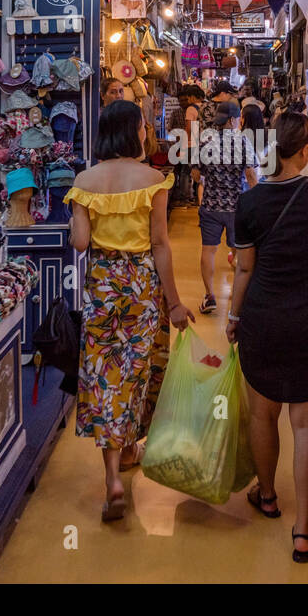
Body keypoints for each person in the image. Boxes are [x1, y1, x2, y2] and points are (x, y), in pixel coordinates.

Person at [227, 112, 308, 563]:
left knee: (262, 416)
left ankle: (267, 496)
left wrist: (233, 316)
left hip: (262, 320)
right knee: (307, 425)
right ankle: (303, 531)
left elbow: (243, 269)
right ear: (303, 150)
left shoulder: (250, 204)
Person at [65, 100, 193, 522]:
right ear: (134, 130)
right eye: (142, 126)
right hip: (141, 288)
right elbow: (160, 244)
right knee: (136, 369)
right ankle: (131, 447)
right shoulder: (153, 179)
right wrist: (173, 302)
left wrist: (77, 215)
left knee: (104, 374)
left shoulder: (84, 181)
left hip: (102, 284)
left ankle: (112, 476)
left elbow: (80, 244)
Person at [195, 101, 258, 314]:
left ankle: (209, 296)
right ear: (232, 120)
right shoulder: (242, 142)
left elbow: (197, 174)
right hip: (237, 207)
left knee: (209, 251)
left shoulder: (206, 141)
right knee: (240, 252)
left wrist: (209, 181)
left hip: (211, 206)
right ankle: (241, 299)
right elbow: (250, 174)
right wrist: (258, 199)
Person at [167, 84, 205, 206]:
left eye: (187, 98)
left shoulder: (190, 109)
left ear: (192, 97)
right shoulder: (207, 106)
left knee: (185, 171)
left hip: (189, 144)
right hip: (202, 144)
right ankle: (197, 197)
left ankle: (185, 197)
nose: (186, 101)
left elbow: (188, 129)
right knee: (198, 171)